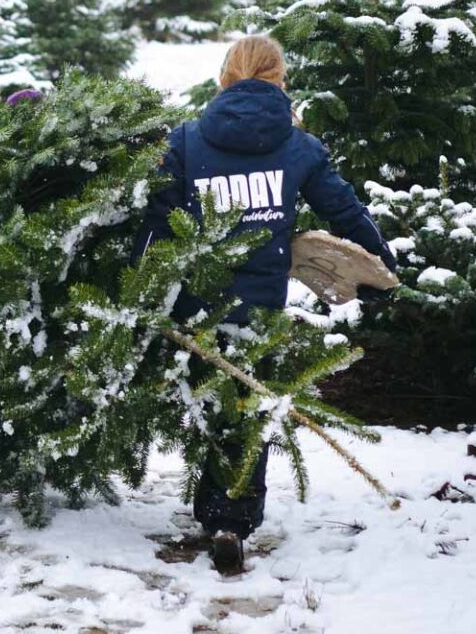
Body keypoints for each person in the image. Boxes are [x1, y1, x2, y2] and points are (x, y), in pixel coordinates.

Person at [135, 34, 397, 573]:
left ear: (225, 76)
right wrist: (382, 269)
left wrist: (142, 287)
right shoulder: (299, 148)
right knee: (247, 405)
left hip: (194, 304)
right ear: (281, 79)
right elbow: (346, 213)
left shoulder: (185, 141)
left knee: (216, 397)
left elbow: (156, 225)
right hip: (259, 306)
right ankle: (230, 518)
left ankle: (217, 512)